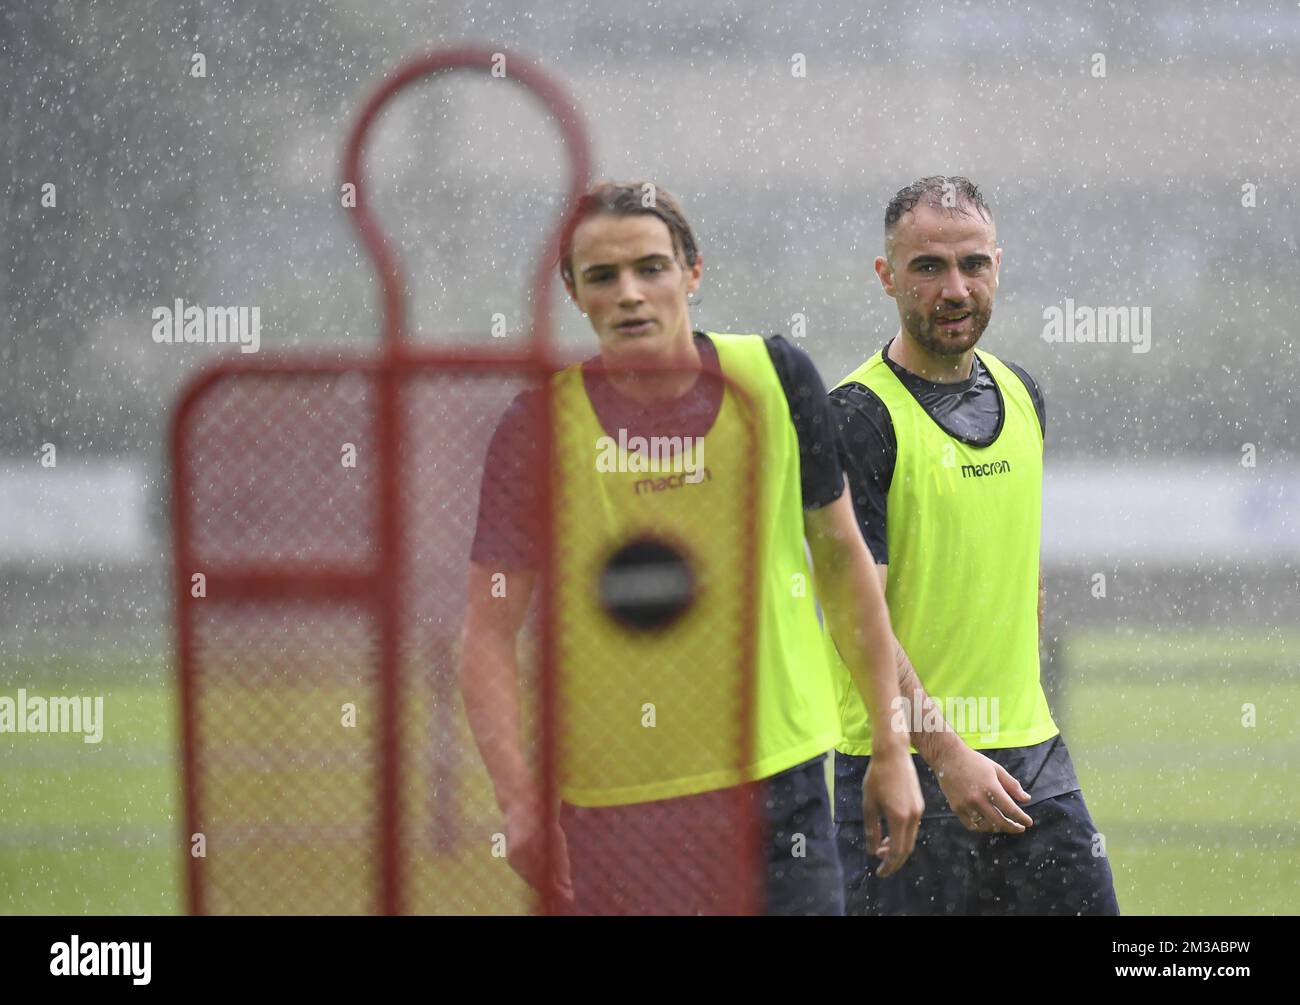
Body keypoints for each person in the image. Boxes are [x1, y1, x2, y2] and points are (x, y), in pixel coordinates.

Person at [458, 180, 923, 915]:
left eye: (651, 267)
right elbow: (487, 630)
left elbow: (842, 568)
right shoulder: (536, 428)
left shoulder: (777, 379)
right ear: (574, 292)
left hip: (781, 790)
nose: (630, 293)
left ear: (692, 272)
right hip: (612, 810)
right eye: (603, 276)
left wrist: (892, 747)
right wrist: (517, 799)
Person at [828, 176, 1120, 915]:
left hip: (1030, 759)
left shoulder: (1023, 393)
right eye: (928, 267)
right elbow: (855, 615)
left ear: (999, 265)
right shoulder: (857, 418)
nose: (955, 288)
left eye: (973, 264)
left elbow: (1022, 574)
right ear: (887, 276)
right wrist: (947, 752)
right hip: (902, 771)